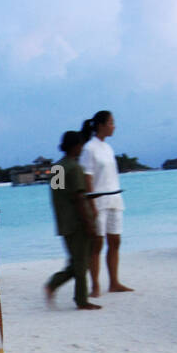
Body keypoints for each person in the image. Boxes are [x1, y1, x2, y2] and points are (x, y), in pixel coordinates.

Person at [45, 132, 100, 311]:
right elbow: (78, 198)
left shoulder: (57, 168)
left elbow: (58, 197)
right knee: (81, 262)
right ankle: (80, 298)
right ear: (76, 146)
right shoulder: (74, 168)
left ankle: (55, 285)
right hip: (77, 222)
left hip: (63, 221)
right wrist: (89, 223)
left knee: (76, 260)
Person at [78, 110, 131, 295]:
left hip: (114, 198)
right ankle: (94, 285)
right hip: (99, 201)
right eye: (110, 122)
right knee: (97, 244)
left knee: (115, 241)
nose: (113, 126)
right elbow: (88, 177)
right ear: (100, 125)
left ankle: (114, 282)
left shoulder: (108, 148)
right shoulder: (89, 148)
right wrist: (91, 203)